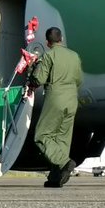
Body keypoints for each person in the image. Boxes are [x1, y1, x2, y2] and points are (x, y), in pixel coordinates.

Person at [29, 27, 84, 187]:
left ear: (48, 42)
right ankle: (56, 177)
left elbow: (38, 80)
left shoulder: (49, 55)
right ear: (61, 39)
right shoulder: (74, 56)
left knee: (42, 135)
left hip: (56, 97)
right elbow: (79, 80)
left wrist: (34, 67)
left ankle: (64, 162)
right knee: (61, 139)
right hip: (72, 98)